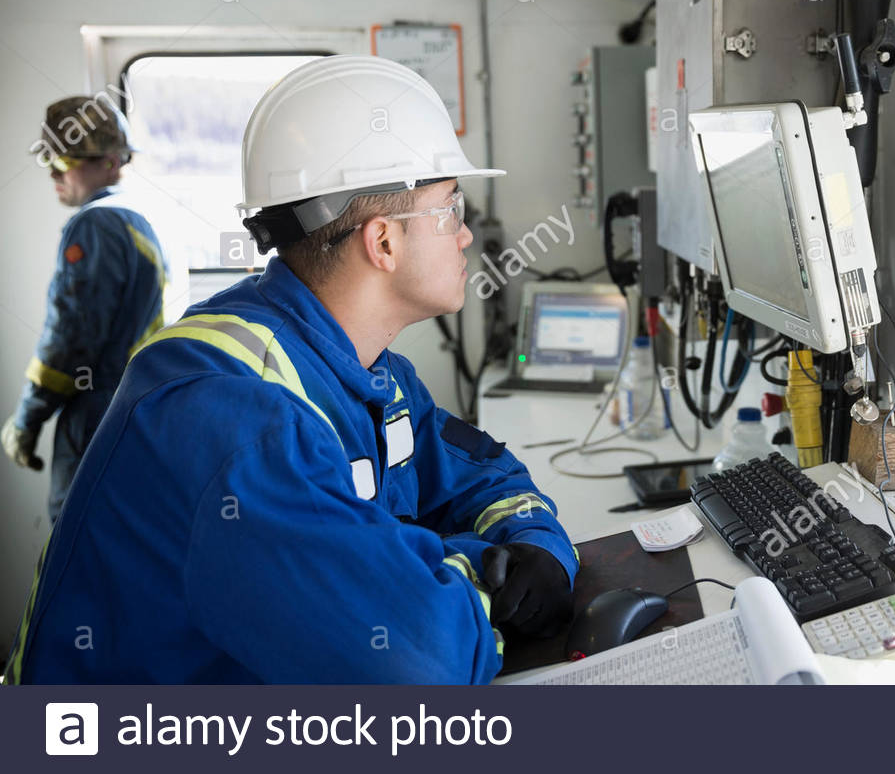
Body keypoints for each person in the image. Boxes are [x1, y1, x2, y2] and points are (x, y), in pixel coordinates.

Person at [4, 56, 577, 684]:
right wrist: (481, 572)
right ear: (382, 242)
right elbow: (415, 665)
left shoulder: (369, 375)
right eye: (451, 208)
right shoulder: (231, 418)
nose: (467, 236)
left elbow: (487, 480)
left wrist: (536, 549)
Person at [1, 95, 166, 523]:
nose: (53, 173)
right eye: (49, 162)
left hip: (97, 415)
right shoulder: (139, 217)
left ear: (112, 161)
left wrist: (28, 418)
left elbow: (70, 340)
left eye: (64, 162)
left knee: (73, 548)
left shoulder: (94, 223)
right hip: (136, 411)